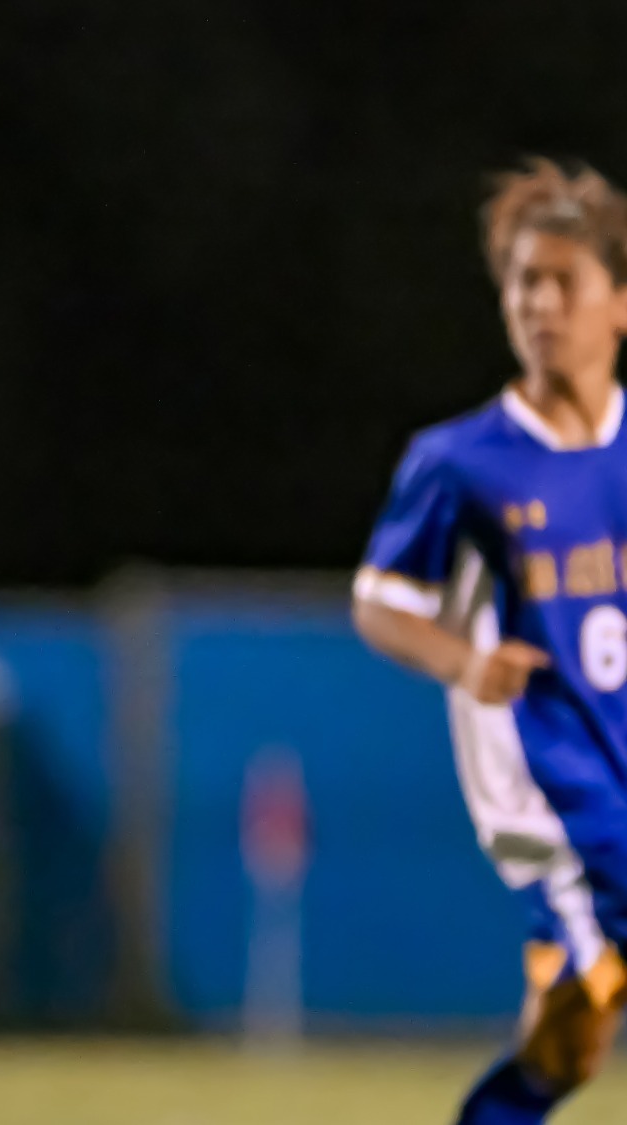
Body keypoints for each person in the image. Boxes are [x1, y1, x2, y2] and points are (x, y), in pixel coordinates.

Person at [353, 158, 627, 1124]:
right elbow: (379, 603)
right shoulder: (461, 462)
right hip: (546, 791)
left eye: (564, 281)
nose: (540, 303)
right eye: (522, 282)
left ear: (620, 303)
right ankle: (569, 969)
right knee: (581, 1010)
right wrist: (464, 661)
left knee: (571, 1045)